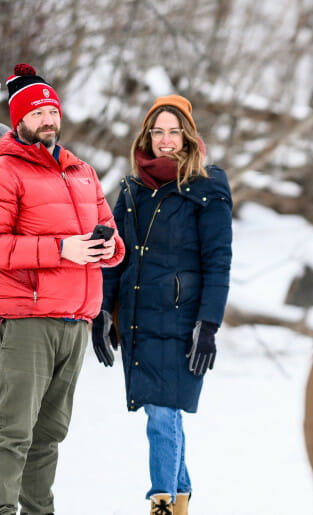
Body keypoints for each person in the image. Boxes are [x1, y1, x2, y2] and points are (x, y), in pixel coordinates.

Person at [91, 95, 232, 514]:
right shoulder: (132, 189)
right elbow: (115, 255)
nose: (165, 140)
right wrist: (102, 311)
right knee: (163, 412)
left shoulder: (207, 187)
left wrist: (208, 324)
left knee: (161, 413)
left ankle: (162, 502)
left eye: (174, 131)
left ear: (188, 136)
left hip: (180, 321)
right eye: (158, 132)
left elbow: (218, 261)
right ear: (147, 136)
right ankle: (180, 497)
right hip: (136, 321)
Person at [0, 63, 125, 515]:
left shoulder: (82, 172)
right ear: (19, 120)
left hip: (75, 321)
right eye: (37, 114)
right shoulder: (7, 170)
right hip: (27, 322)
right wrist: (61, 249)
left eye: (52, 112)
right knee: (13, 432)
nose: (48, 120)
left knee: (49, 434)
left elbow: (116, 247)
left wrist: (104, 246)